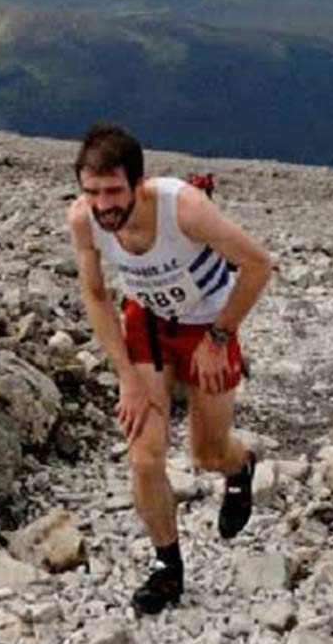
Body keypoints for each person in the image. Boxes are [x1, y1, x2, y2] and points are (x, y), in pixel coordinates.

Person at [66, 123, 276, 616]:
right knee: (143, 455)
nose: (104, 205)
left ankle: (240, 466)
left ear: (139, 183)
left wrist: (219, 337)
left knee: (206, 453)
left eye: (114, 190)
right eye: (92, 191)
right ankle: (168, 568)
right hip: (149, 327)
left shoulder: (184, 209)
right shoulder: (84, 220)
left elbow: (260, 266)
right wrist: (126, 377)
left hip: (209, 325)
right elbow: (96, 295)